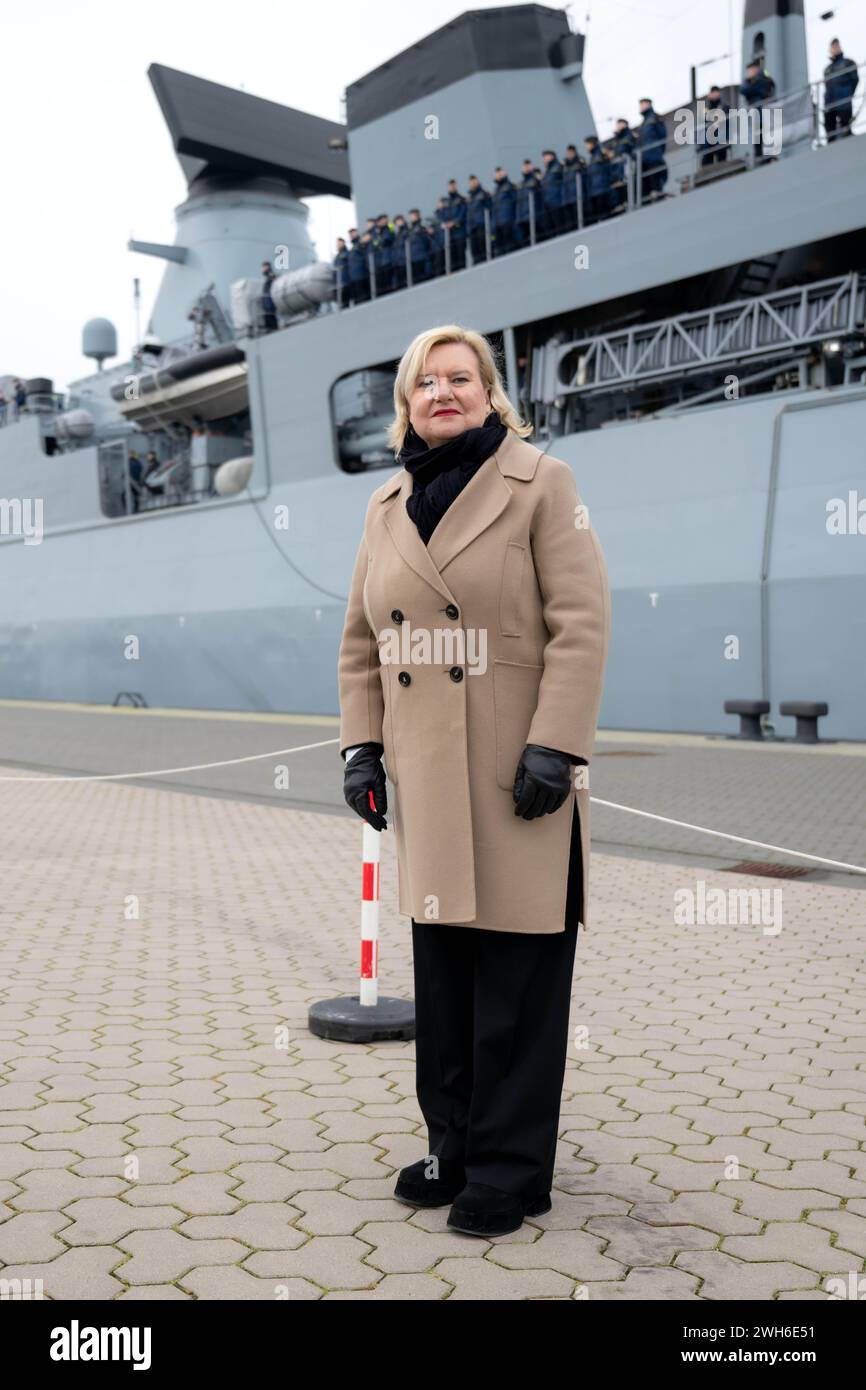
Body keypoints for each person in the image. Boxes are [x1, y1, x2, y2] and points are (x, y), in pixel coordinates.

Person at [337, 325, 610, 1237]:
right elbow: (362, 647)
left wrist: (557, 745)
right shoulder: (386, 503)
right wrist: (360, 749)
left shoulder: (542, 483)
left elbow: (581, 623)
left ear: (493, 394)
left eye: (462, 378)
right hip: (427, 780)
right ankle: (450, 1145)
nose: (443, 392)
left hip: (514, 776)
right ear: (407, 404)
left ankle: (511, 1168)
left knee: (519, 983)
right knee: (447, 980)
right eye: (426, 381)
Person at [740, 59, 776, 163]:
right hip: (756, 114)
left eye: (750, 70)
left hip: (766, 111)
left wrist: (754, 88)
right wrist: (756, 89)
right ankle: (760, 158)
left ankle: (769, 157)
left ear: (756, 69)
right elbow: (743, 90)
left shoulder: (764, 77)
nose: (748, 73)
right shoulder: (748, 81)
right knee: (758, 137)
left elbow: (767, 86)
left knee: (767, 135)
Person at [823, 37, 858, 142]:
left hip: (844, 100)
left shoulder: (848, 63)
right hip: (830, 102)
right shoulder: (827, 68)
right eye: (833, 46)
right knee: (830, 133)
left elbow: (855, 79)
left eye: (837, 46)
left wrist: (848, 93)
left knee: (846, 129)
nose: (835, 48)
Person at [637, 98, 668, 202]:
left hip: (654, 155)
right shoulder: (643, 124)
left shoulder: (655, 118)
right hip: (644, 158)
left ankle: (659, 197)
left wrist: (658, 151)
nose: (641, 107)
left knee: (656, 181)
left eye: (642, 104)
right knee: (647, 183)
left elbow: (662, 136)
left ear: (648, 104)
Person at [699, 86, 731, 166]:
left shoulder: (724, 106)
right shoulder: (706, 108)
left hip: (721, 136)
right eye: (712, 93)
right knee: (706, 160)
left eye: (715, 93)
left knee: (721, 159)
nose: (713, 95)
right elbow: (706, 119)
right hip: (710, 138)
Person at [514, 158, 543, 247]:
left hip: (533, 217)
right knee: (526, 243)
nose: (526, 168)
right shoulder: (521, 184)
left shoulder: (535, 180)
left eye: (528, 165)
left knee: (538, 240)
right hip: (522, 219)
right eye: (524, 166)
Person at [582, 135, 611, 222]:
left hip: (602, 188)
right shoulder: (593, 157)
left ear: (592, 144)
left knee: (606, 215)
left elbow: (608, 168)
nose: (586, 147)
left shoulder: (601, 154)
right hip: (595, 190)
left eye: (587, 145)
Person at [465, 174, 492, 264]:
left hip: (481, 224)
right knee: (474, 249)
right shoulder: (470, 198)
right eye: (471, 182)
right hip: (472, 227)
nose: (473, 183)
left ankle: (484, 260)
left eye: (474, 181)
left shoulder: (483, 194)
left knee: (482, 245)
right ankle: (476, 263)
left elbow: (489, 206)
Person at [608, 121, 635, 210]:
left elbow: (632, 148)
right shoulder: (615, 141)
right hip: (618, 169)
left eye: (620, 125)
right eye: (617, 125)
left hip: (627, 165)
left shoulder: (629, 136)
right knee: (619, 185)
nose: (617, 127)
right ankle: (623, 203)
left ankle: (630, 202)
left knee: (628, 183)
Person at [490, 166, 517, 256]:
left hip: (507, 220)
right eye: (496, 174)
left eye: (499, 173)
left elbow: (515, 201)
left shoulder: (509, 186)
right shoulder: (496, 190)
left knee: (509, 245)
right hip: (497, 224)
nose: (498, 175)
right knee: (499, 248)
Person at [540, 149, 564, 237]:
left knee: (561, 226)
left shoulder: (558, 167)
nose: (544, 160)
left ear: (551, 156)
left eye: (545, 157)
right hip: (548, 203)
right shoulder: (547, 172)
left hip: (557, 201)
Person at [560, 144, 585, 229]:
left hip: (577, 195)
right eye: (568, 153)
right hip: (568, 198)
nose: (569, 155)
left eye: (571, 153)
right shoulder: (564, 167)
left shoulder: (579, 162)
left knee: (580, 218)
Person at [260, 261, 278, 331]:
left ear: (268, 267)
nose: (262, 269)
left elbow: (274, 284)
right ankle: (271, 328)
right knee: (268, 316)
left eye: (264, 267)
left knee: (270, 316)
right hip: (267, 302)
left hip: (270, 301)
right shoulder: (268, 277)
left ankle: (273, 328)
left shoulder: (271, 275)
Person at [333, 237, 350, 308]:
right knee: (342, 303)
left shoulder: (347, 253)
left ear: (343, 243)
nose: (338, 245)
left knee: (347, 300)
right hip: (339, 283)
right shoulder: (336, 257)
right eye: (337, 244)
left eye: (340, 243)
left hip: (347, 281)